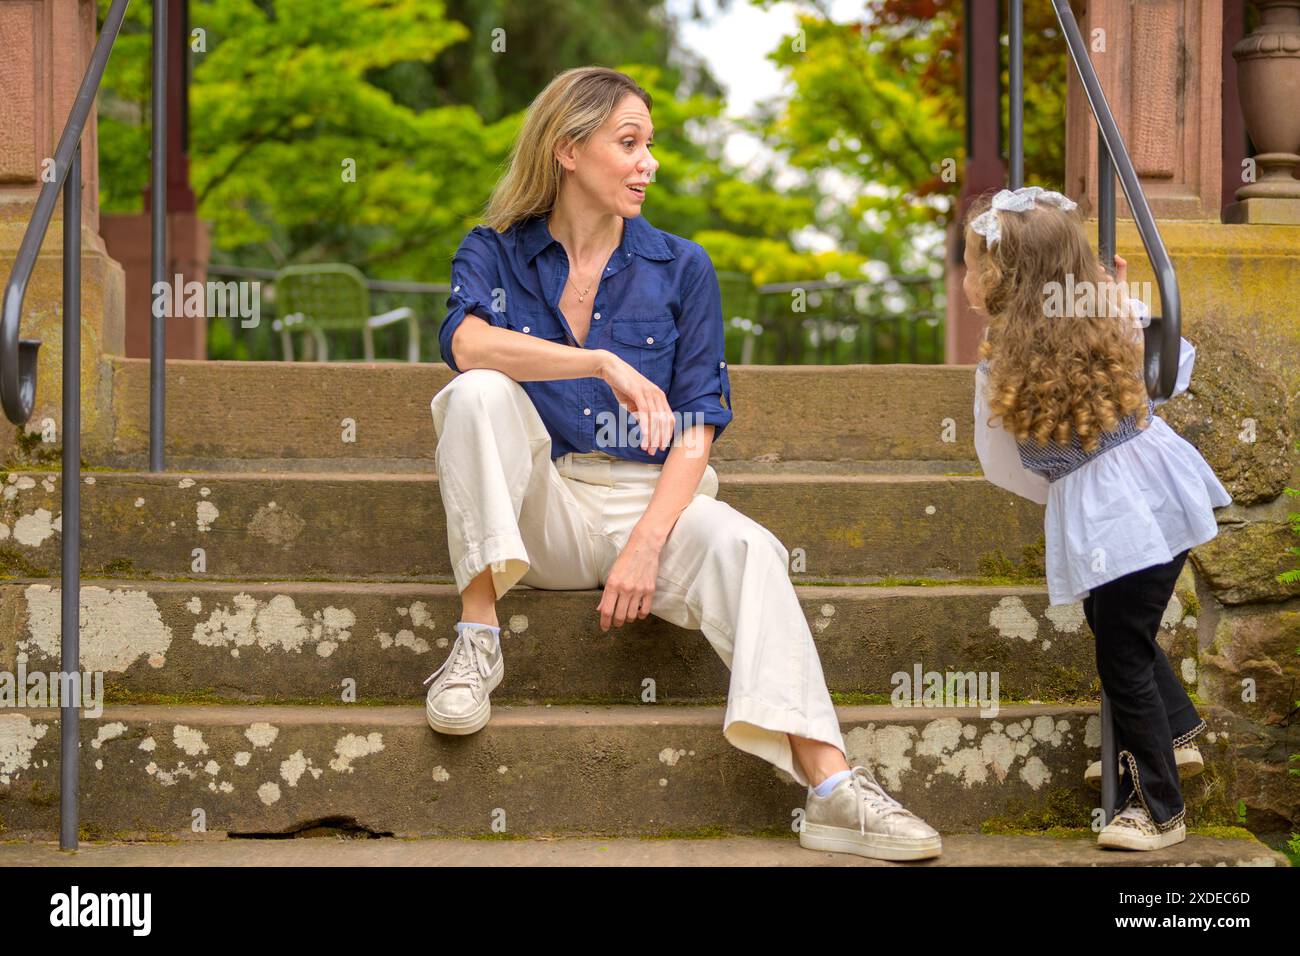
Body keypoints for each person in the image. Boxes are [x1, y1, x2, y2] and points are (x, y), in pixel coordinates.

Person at [426, 66, 941, 861]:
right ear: (567, 149)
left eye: (650, 146)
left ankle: (834, 789)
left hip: (651, 501)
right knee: (475, 395)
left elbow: (699, 422)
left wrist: (647, 542)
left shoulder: (682, 267)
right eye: (628, 144)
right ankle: (477, 636)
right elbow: (464, 345)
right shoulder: (493, 252)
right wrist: (596, 361)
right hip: (546, 507)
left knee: (749, 548)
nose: (648, 164)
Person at [963, 186, 1232, 851]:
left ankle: (1160, 809)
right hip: (1159, 491)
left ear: (999, 275)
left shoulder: (1004, 356)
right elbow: (1178, 366)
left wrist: (1060, 483)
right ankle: (1170, 732)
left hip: (1118, 513)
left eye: (972, 263)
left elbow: (1001, 458)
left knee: (1121, 652)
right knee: (1117, 631)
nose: (968, 276)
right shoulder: (1104, 311)